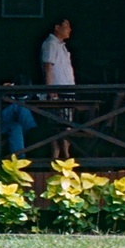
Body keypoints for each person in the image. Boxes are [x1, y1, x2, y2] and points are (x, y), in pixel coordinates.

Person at [40, 18, 75, 159]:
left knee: (66, 124)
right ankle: (61, 157)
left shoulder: (61, 45)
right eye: (66, 26)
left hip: (67, 91)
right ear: (57, 27)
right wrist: (51, 90)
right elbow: (48, 66)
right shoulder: (50, 44)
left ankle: (65, 156)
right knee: (58, 125)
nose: (69, 29)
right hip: (58, 92)